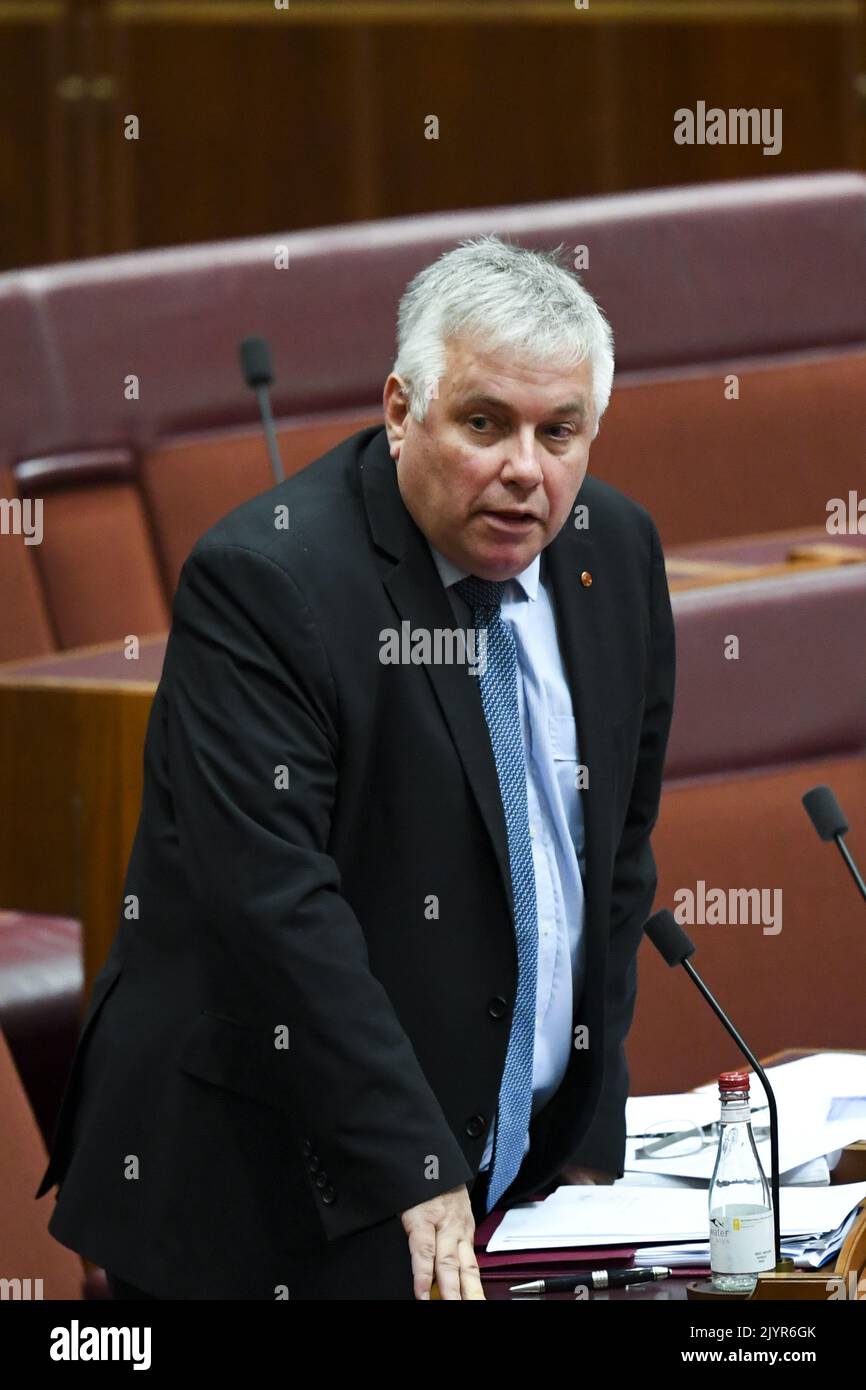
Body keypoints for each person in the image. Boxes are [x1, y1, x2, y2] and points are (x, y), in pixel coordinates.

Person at [35, 235, 676, 1300]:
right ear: (398, 408)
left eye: (558, 431)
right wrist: (411, 1163)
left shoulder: (616, 552)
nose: (526, 466)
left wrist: (581, 1116)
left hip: (489, 1173)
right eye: (484, 423)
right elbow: (275, 906)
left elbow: (609, 853)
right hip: (263, 1191)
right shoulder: (267, 582)